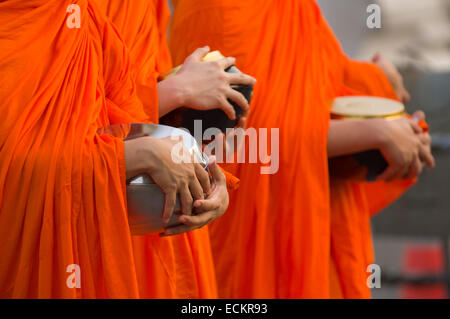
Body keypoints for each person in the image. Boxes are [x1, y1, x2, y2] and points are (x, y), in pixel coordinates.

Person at [169, 0, 434, 298]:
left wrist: (389, 108)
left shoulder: (293, 8)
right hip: (258, 244)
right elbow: (247, 145)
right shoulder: (218, 9)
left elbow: (312, 99)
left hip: (315, 228)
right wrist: (377, 132)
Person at [0, 0, 222, 298]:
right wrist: (142, 149)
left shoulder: (101, 18)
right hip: (53, 257)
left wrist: (205, 177)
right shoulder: (23, 16)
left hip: (144, 236)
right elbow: (14, 169)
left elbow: (127, 119)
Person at [95, 0, 255, 298]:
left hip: (161, 212)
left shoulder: (149, 6)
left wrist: (209, 174)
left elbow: (158, 124)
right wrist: (176, 91)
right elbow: (54, 130)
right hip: (96, 224)